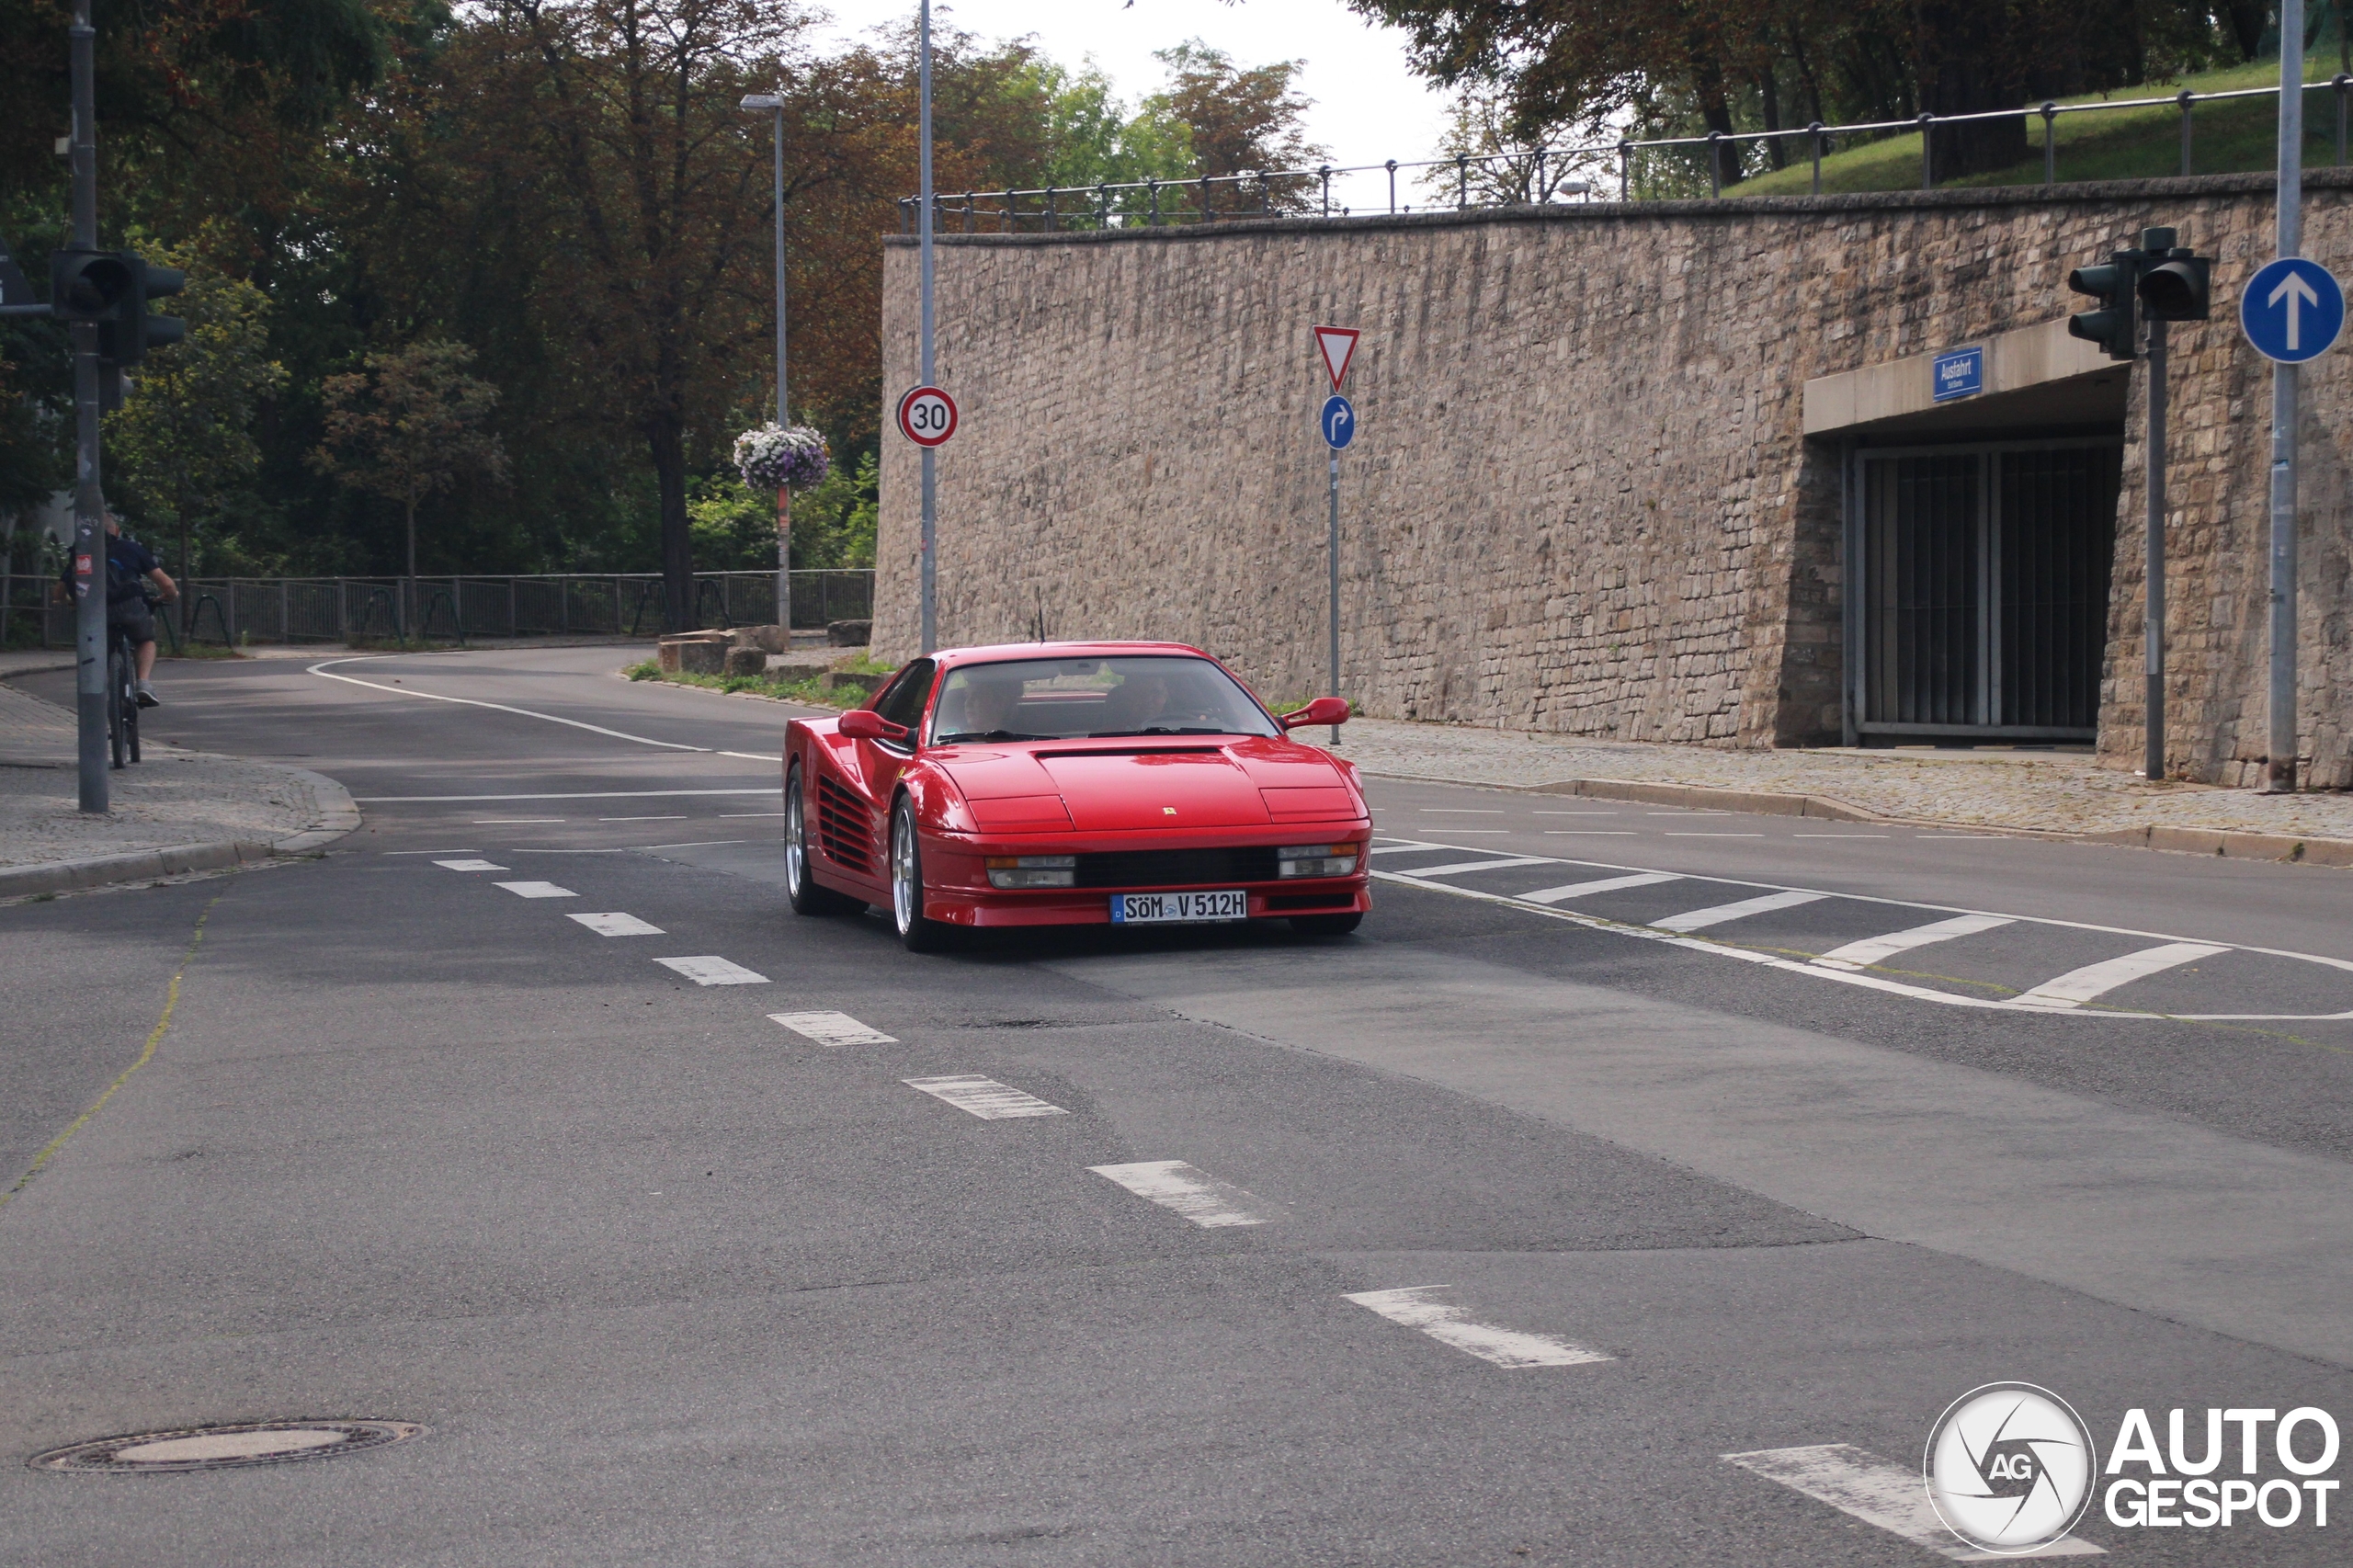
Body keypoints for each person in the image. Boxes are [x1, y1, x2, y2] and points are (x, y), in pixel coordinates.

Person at [54, 511, 177, 707]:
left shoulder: (81, 553)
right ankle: (143, 683)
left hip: (95, 613)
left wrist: (68, 601)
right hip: (131, 606)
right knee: (145, 640)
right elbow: (167, 585)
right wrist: (168, 596)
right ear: (116, 531)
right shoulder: (131, 548)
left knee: (97, 647)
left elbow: (59, 592)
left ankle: (98, 693)